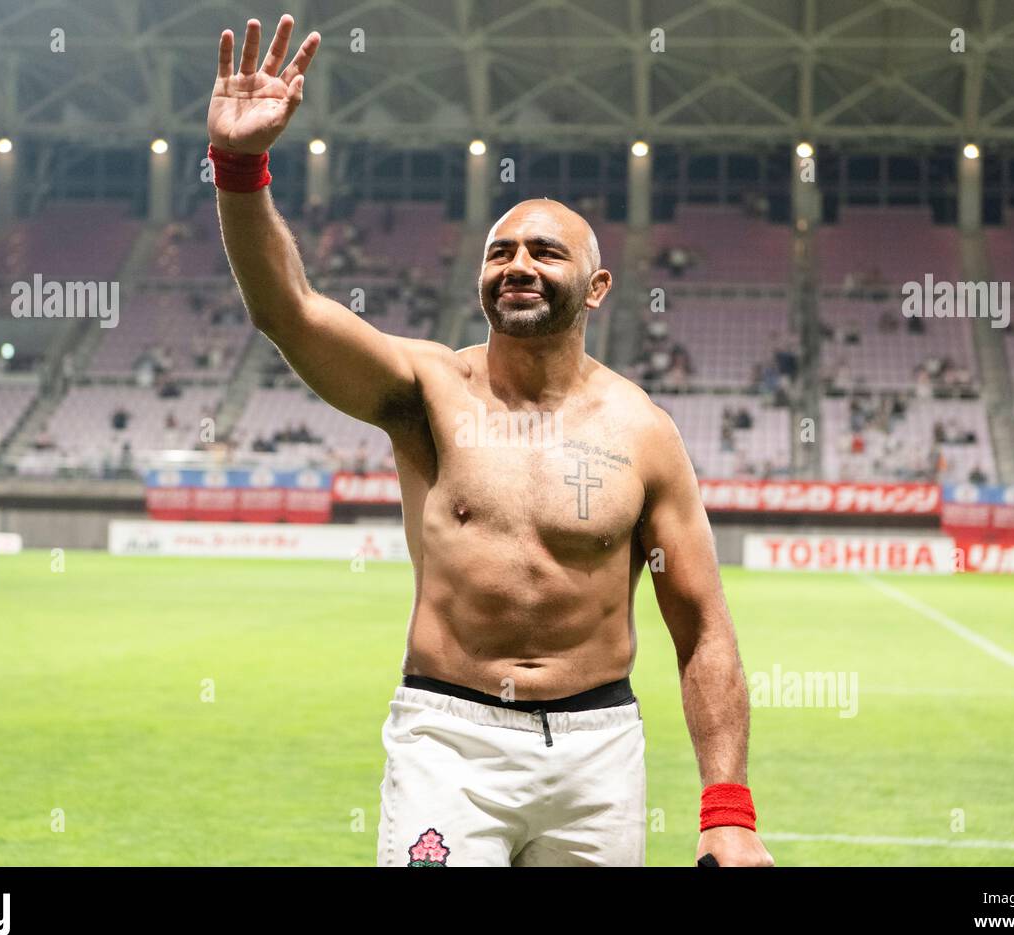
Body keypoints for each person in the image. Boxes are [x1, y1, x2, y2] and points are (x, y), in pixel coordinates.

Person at [208, 15, 771, 868]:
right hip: (449, 737)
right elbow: (288, 310)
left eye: (546, 252)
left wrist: (728, 809)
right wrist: (240, 169)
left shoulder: (644, 433)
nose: (518, 264)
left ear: (597, 287)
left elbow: (702, 628)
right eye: (500, 250)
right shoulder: (426, 392)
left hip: (598, 747)